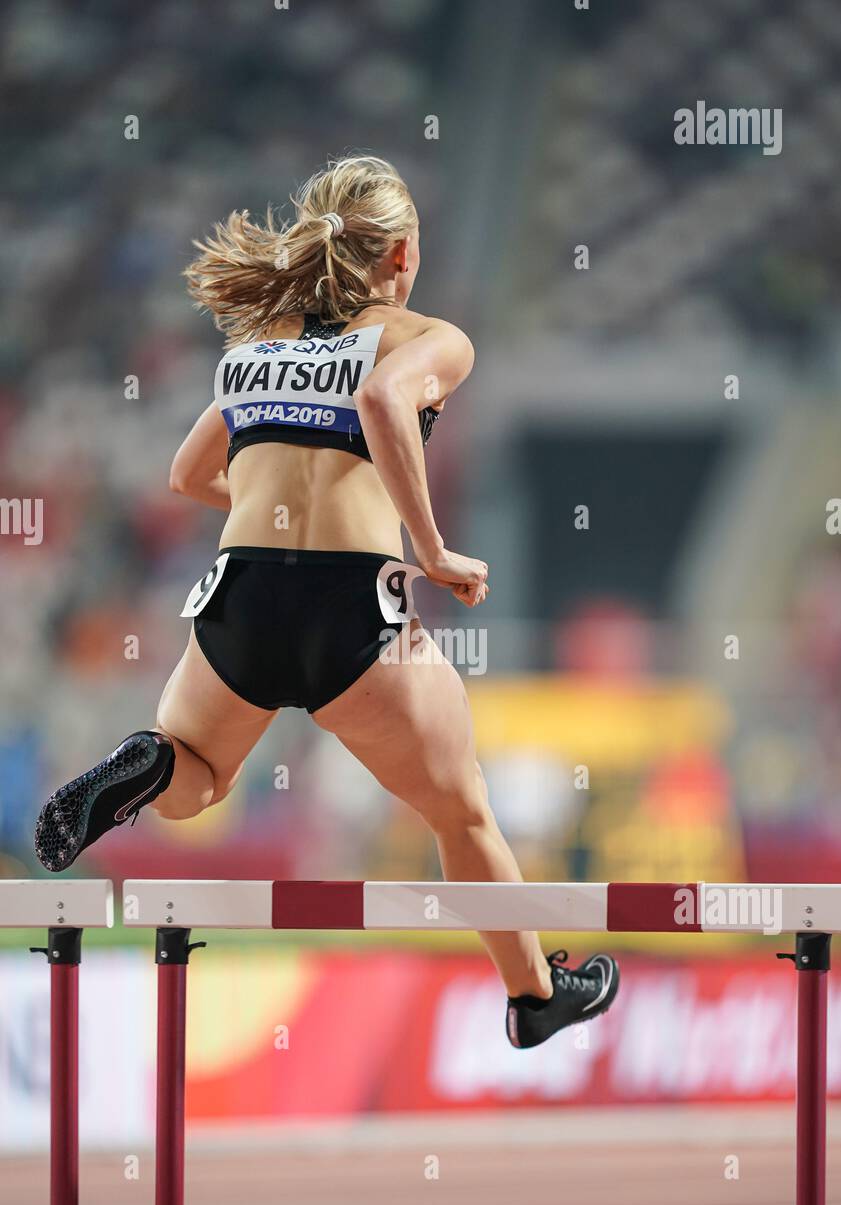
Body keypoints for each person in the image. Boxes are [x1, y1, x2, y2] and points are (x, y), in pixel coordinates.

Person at [34, 154, 619, 1048]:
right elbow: (384, 397)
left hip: (242, 595)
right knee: (459, 812)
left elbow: (188, 477)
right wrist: (429, 549)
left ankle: (150, 762)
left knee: (193, 786)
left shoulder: (258, 342)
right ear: (399, 253)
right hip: (354, 609)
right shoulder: (431, 338)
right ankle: (534, 995)